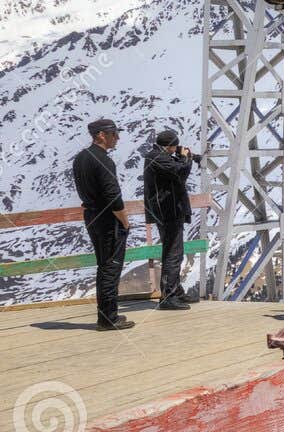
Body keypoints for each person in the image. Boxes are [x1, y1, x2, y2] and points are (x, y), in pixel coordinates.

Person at [71, 117, 132, 330]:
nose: (117, 137)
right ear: (101, 135)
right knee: (111, 268)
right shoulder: (104, 160)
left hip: (91, 215)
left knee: (103, 266)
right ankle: (108, 319)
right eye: (114, 133)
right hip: (107, 220)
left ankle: (107, 315)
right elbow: (114, 197)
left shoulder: (81, 158)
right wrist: (125, 221)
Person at [141, 128, 197, 310]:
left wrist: (183, 157)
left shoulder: (156, 156)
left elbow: (174, 171)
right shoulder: (158, 158)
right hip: (168, 211)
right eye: (175, 147)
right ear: (169, 146)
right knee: (173, 253)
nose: (176, 150)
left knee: (173, 252)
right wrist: (185, 158)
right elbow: (179, 173)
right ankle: (168, 296)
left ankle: (175, 291)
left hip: (166, 210)